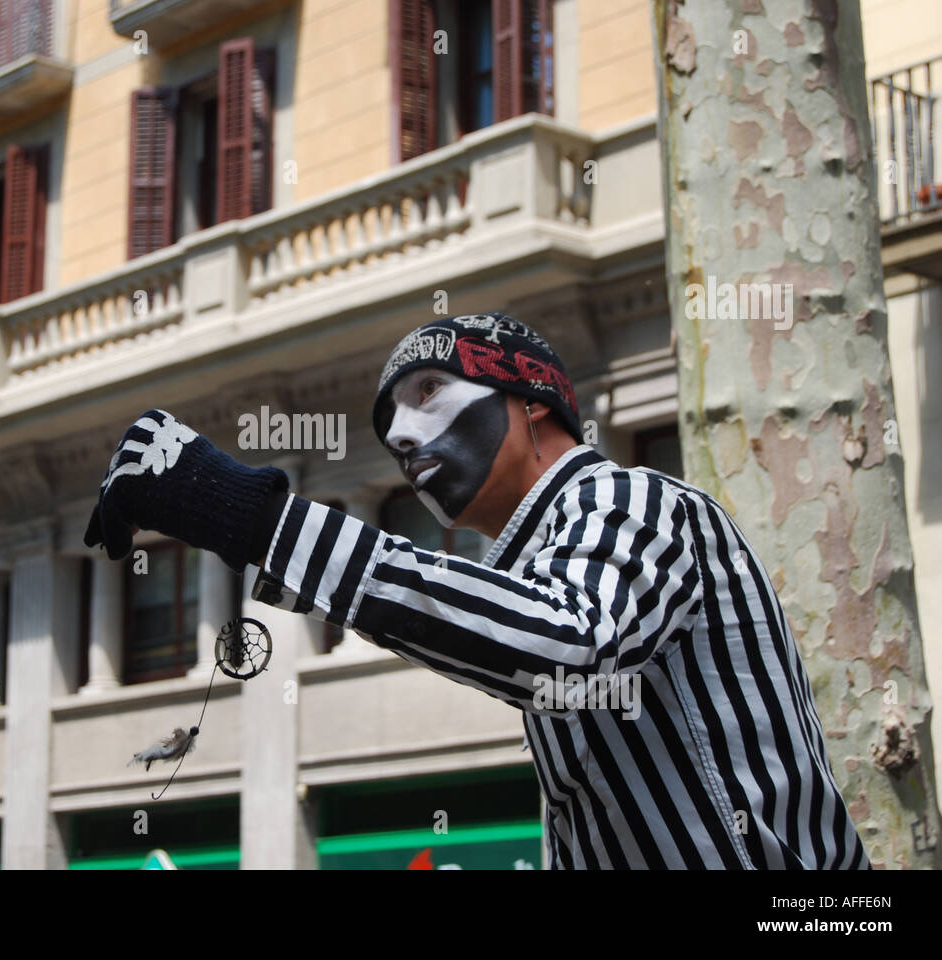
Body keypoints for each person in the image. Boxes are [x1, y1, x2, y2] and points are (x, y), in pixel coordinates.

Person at [84, 312, 871, 869]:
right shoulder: (534, 570)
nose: (398, 435)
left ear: (534, 402)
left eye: (427, 392)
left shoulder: (632, 500)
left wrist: (250, 517)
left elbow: (572, 646)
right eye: (388, 420)